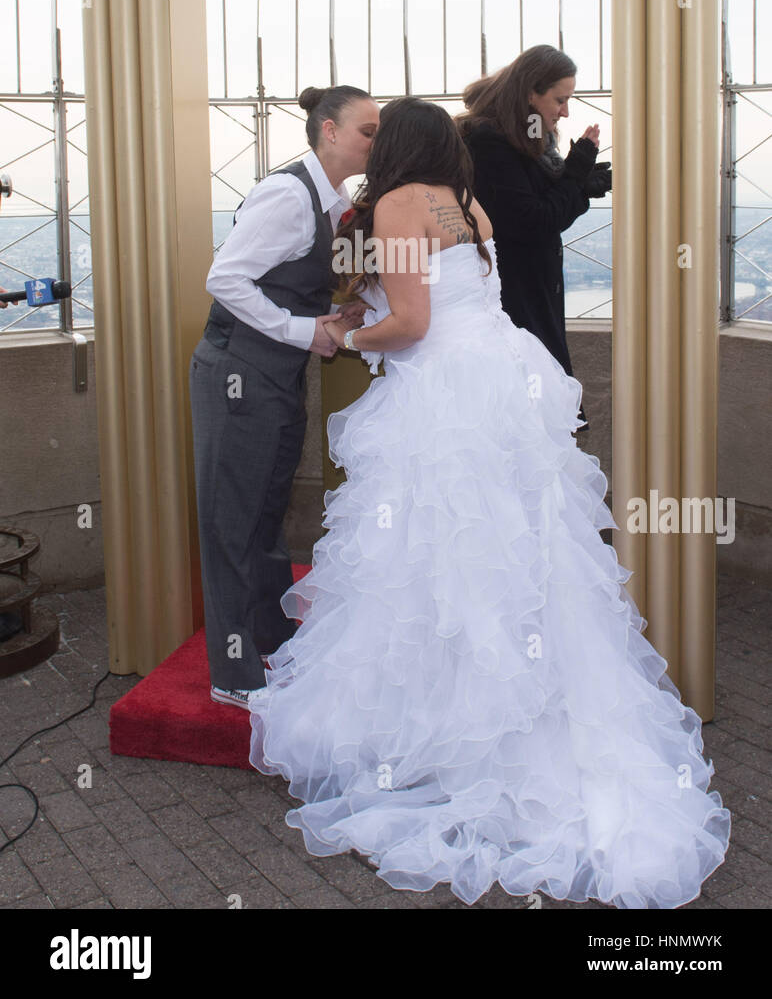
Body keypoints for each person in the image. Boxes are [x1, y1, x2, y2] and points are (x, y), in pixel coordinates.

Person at [246, 95, 730, 910]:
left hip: (442, 395)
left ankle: (439, 737)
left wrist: (343, 337)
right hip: (502, 380)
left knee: (435, 559)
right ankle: (517, 713)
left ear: (395, 145)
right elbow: (461, 298)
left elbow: (411, 321)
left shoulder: (397, 202)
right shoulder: (466, 204)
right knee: (516, 552)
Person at [189, 84, 380, 708]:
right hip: (237, 374)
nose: (376, 142)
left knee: (265, 510)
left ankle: (270, 641)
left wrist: (332, 310)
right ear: (328, 132)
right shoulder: (287, 195)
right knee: (233, 523)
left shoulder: (329, 199)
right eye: (367, 132)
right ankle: (234, 675)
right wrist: (306, 331)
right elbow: (226, 279)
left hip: (272, 373)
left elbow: (283, 282)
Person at [456, 45, 611, 427]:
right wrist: (576, 177)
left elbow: (539, 201)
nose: (565, 111)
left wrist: (580, 182)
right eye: (560, 99)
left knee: (541, 409)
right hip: (515, 300)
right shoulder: (491, 143)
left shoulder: (520, 138)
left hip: (527, 292)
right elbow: (534, 220)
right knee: (533, 415)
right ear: (530, 92)